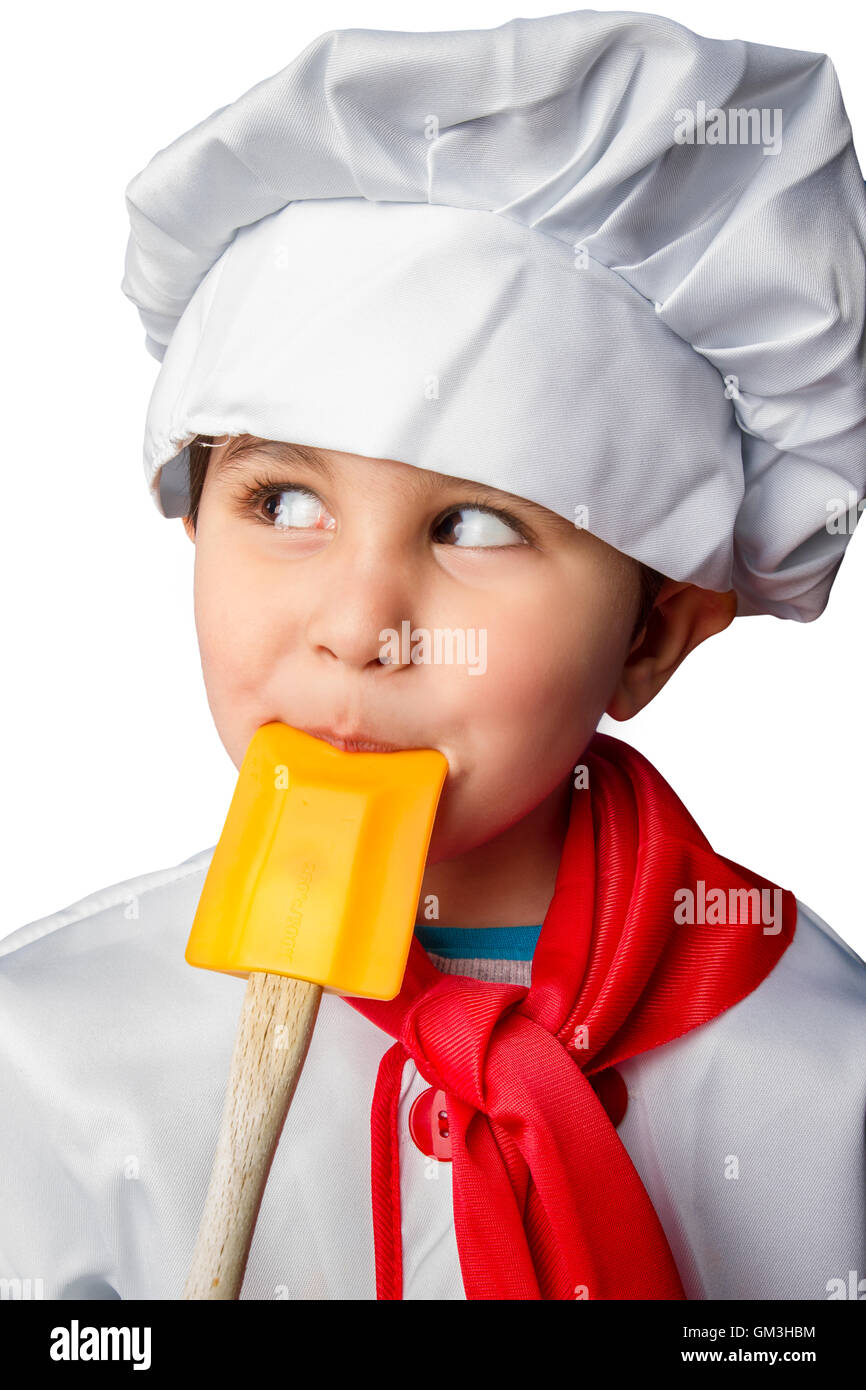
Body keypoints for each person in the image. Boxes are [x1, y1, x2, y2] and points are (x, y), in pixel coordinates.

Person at [2, 9, 864, 1300]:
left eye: (474, 524)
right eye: (281, 501)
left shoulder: (826, 1077)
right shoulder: (46, 1056)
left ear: (655, 632)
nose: (358, 623)